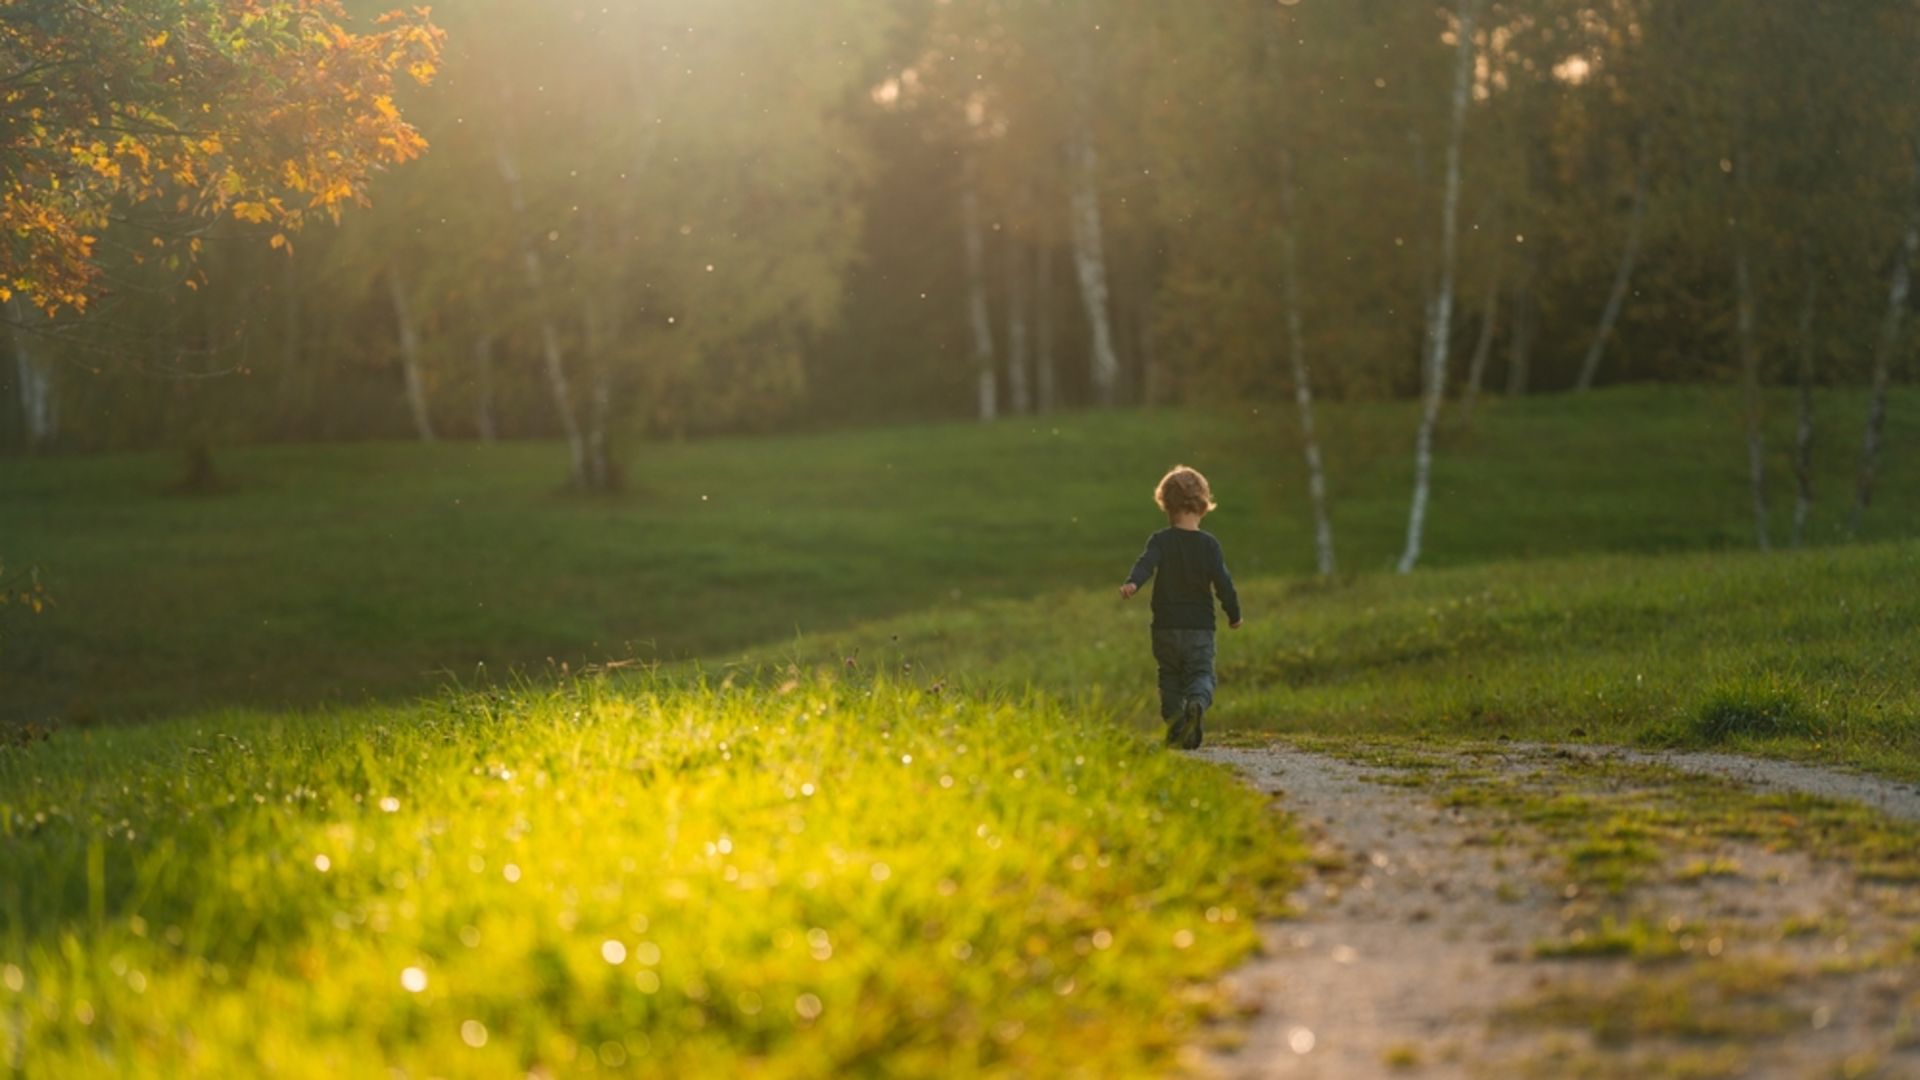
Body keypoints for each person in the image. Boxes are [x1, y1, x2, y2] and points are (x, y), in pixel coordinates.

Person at [1119, 465, 1242, 749]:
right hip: (1199, 628)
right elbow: (1224, 583)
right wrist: (1234, 614)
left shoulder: (1160, 541)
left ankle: (1176, 724)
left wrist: (1133, 584)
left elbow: (1145, 565)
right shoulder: (1209, 545)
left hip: (1165, 627)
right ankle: (1196, 703)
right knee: (1201, 674)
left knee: (1170, 676)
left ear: (1165, 504)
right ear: (1203, 504)